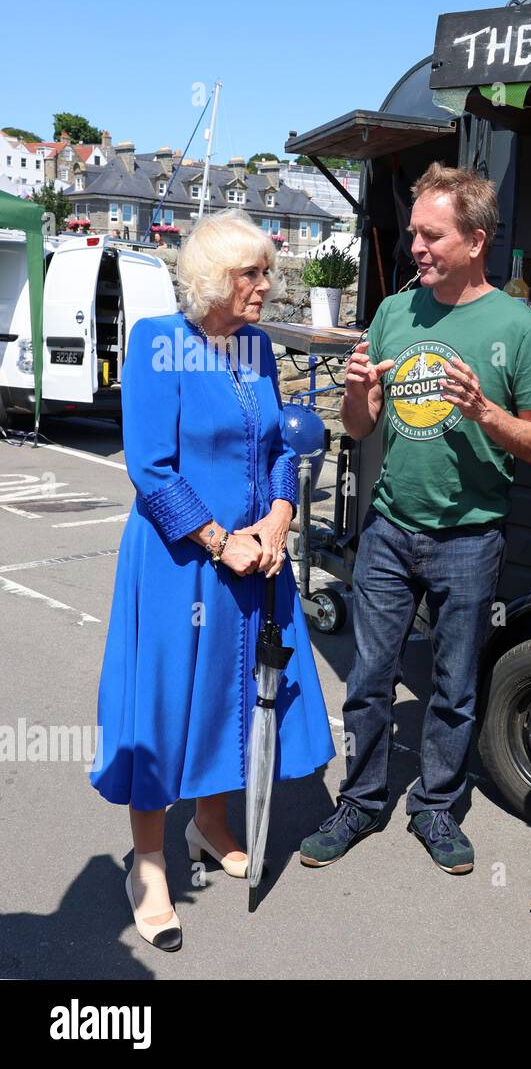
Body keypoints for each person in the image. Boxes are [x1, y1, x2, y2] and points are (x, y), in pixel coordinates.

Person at [300, 163, 531, 873]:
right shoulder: (392, 313)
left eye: (430, 234)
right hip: (387, 527)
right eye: (413, 231)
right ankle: (359, 799)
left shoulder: (518, 326)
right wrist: (355, 395)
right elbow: (359, 428)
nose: (414, 245)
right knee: (368, 678)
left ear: (475, 240)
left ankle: (437, 807)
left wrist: (483, 410)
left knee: (453, 688)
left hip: (470, 537)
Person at [92, 208, 335, 952]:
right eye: (252, 274)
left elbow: (278, 446)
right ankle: (151, 862)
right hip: (177, 563)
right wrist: (219, 538)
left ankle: (212, 820)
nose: (268, 285)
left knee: (235, 694)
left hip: (252, 559)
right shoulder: (158, 343)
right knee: (163, 706)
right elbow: (151, 468)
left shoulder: (257, 347)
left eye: (267, 270)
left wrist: (280, 519)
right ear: (209, 280)